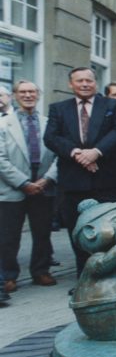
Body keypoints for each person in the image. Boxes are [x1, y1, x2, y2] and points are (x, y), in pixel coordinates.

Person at [43, 67, 116, 276]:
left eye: (88, 80)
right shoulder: (58, 109)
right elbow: (51, 137)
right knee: (79, 231)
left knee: (111, 230)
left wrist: (96, 152)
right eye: (79, 80)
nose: (84, 84)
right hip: (73, 183)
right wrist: (77, 153)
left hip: (107, 182)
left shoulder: (113, 105)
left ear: (95, 83)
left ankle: (114, 279)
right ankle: (85, 278)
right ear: (70, 84)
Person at [0, 80, 59, 301]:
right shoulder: (3, 124)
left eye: (32, 92)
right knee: (8, 235)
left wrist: (47, 179)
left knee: (42, 232)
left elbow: (59, 155)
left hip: (43, 187)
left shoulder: (49, 123)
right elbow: (0, 159)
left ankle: (41, 271)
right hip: (12, 187)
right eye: (23, 92)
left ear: (38, 95)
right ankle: (8, 275)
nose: (28, 95)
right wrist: (23, 182)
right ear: (15, 96)